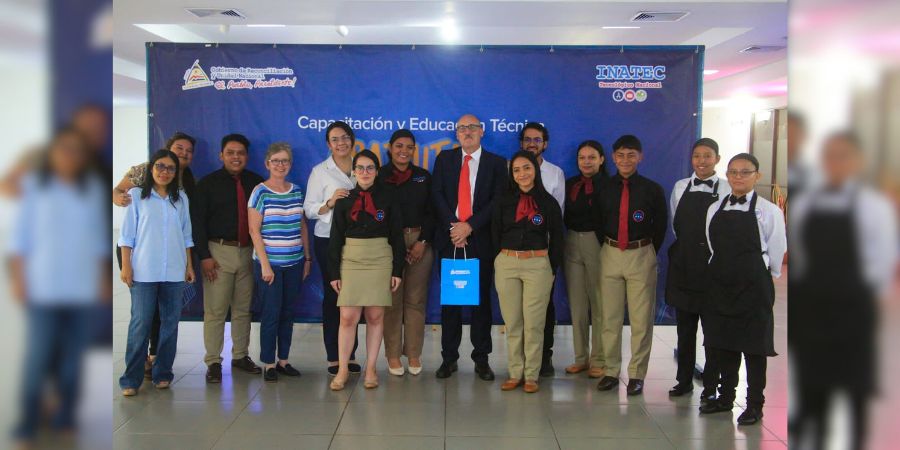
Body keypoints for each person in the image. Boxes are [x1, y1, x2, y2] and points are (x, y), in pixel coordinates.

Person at [789, 133, 897, 448]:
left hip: (854, 307)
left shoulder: (874, 206)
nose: (836, 163)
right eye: (829, 156)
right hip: (814, 306)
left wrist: (861, 301)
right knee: (814, 385)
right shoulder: (806, 204)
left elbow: (882, 261)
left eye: (844, 155)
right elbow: (800, 253)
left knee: (856, 388)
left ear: (858, 161)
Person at [9, 127, 107, 443]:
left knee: (71, 359)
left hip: (80, 288)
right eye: (64, 148)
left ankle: (66, 416)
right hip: (43, 288)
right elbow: (19, 239)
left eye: (77, 150)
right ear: (52, 153)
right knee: (37, 357)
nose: (70, 155)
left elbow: (96, 240)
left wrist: (102, 278)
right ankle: (28, 421)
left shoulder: (90, 189)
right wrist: (19, 280)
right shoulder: (34, 187)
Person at [699, 153, 786, 426]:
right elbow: (711, 243)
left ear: (756, 176)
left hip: (753, 286)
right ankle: (725, 398)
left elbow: (776, 248)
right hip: (720, 284)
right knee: (724, 343)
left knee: (754, 347)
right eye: (733, 172)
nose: (738, 177)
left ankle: (754, 405)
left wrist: (766, 276)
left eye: (745, 172)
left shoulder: (769, 211)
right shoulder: (715, 208)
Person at [111, 131, 197, 380]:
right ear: (151, 169)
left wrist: (188, 266)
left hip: (174, 270)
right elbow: (126, 237)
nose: (165, 171)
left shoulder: (181, 197)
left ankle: (163, 373)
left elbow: (186, 236)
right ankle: (132, 377)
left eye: (170, 168)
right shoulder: (138, 196)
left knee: (170, 326)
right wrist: (126, 267)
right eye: (160, 166)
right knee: (140, 324)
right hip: (143, 270)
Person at [431, 114, 508, 381]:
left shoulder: (497, 164)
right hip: (450, 239)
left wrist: (470, 226)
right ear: (456, 133)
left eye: (472, 127)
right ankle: (449, 358)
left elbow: (498, 201)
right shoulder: (445, 159)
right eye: (462, 128)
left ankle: (481, 359)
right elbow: (437, 195)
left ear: (482, 131)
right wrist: (455, 226)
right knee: (451, 302)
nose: (467, 132)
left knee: (481, 304)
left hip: (480, 240)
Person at [595, 135, 667, 396]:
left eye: (631, 155)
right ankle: (611, 371)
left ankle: (637, 374)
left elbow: (660, 227)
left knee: (640, 320)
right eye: (621, 155)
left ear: (640, 157)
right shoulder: (604, 187)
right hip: (610, 252)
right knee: (610, 318)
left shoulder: (652, 189)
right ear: (613, 157)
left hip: (641, 253)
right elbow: (597, 222)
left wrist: (646, 251)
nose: (626, 160)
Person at [327, 150, 405, 390]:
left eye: (370, 167)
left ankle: (371, 369)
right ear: (353, 171)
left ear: (377, 171)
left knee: (375, 316)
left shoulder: (390, 197)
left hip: (380, 259)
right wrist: (334, 273)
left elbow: (397, 237)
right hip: (351, 260)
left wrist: (397, 270)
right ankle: (342, 369)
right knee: (347, 317)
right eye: (360, 168)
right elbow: (335, 238)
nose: (364, 172)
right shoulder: (344, 200)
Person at [192, 134, 264, 383]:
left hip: (248, 252)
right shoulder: (207, 184)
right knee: (216, 310)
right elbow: (197, 224)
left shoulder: (256, 182)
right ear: (221, 155)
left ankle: (240, 356)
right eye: (231, 152)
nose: (236, 157)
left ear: (247, 156)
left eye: (241, 153)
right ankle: (213, 361)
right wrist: (204, 257)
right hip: (218, 252)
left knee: (243, 309)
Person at [492, 151, 564, 393]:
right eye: (516, 170)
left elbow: (558, 238)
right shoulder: (503, 201)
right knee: (513, 322)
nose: (522, 174)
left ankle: (531, 374)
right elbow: (494, 232)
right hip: (508, 263)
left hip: (538, 265)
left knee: (534, 323)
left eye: (526, 168)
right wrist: (500, 259)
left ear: (535, 170)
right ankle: (515, 372)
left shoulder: (548, 203)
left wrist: (550, 268)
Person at [665, 138, 730, 402]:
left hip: (714, 268)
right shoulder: (681, 187)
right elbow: (674, 224)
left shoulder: (727, 188)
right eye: (697, 156)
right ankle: (683, 380)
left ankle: (712, 383)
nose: (701, 161)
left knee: (713, 331)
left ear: (717, 158)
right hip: (685, 266)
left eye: (707, 156)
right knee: (685, 328)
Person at [248, 142, 312, 382]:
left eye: (285, 161)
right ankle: (269, 362)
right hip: (270, 265)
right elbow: (254, 231)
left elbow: (302, 225)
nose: (281, 165)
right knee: (271, 314)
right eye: (276, 161)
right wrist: (265, 264)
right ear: (267, 164)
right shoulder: (260, 192)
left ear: (290, 164)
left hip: (294, 262)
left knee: (288, 313)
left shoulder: (296, 190)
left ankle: (283, 360)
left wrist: (307, 258)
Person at [305, 121, 362, 376]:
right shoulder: (320, 171)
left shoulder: (363, 167)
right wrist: (329, 202)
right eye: (336, 139)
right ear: (328, 144)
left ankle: (350, 355)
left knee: (354, 298)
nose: (342, 143)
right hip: (328, 240)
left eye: (346, 137)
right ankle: (333, 356)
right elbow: (309, 209)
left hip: (358, 242)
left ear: (353, 140)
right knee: (334, 297)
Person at [377, 130, 435, 376]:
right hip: (389, 242)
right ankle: (392, 355)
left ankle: (413, 352)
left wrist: (422, 241)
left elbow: (433, 211)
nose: (404, 150)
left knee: (416, 300)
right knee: (392, 301)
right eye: (399, 146)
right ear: (390, 148)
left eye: (409, 147)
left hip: (420, 241)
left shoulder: (423, 176)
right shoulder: (379, 175)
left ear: (414, 150)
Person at [519, 122, 565, 377]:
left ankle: (544, 356)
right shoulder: (510, 169)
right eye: (527, 140)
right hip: (515, 250)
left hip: (543, 250)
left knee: (544, 306)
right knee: (518, 309)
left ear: (545, 144)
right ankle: (521, 358)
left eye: (537, 140)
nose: (532, 144)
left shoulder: (555, 173)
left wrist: (552, 257)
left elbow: (558, 217)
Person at [562, 140, 608, 378]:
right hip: (571, 241)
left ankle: (599, 358)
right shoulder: (570, 184)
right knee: (577, 304)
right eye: (582, 157)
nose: (587, 162)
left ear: (601, 159)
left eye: (592, 157)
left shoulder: (610, 185)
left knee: (599, 302)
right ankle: (581, 357)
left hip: (597, 243)